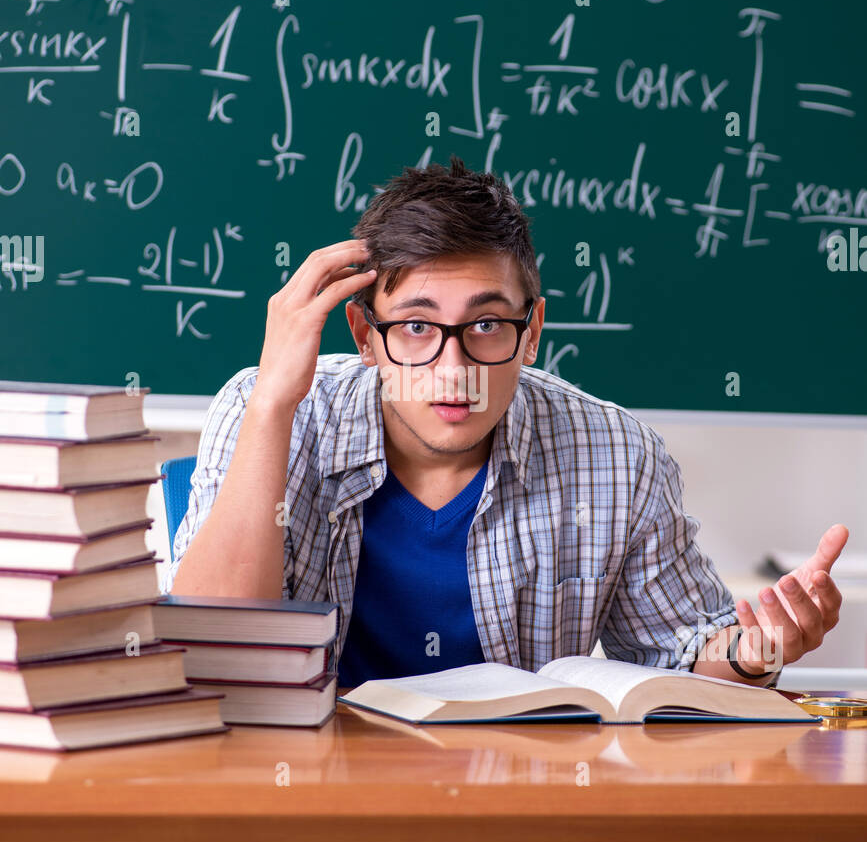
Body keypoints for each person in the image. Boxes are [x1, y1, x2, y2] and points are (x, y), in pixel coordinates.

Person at [163, 157, 846, 687]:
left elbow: (678, 655)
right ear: (365, 335)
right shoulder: (269, 407)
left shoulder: (615, 453)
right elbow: (210, 651)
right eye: (417, 327)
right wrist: (273, 404)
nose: (453, 365)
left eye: (487, 324)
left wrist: (758, 651)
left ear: (532, 331)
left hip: (517, 802)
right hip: (303, 789)